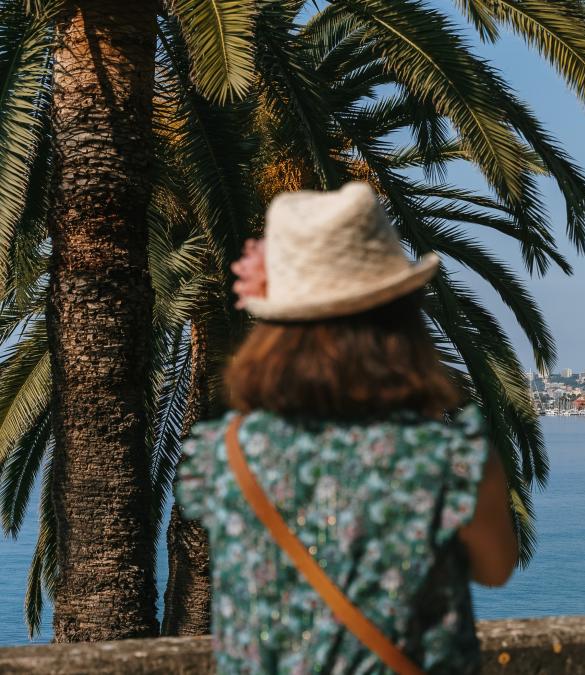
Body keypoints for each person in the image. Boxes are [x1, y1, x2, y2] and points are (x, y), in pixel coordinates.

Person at [174, 181, 518, 674]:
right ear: (403, 323)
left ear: (274, 328)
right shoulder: (449, 459)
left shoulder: (224, 454)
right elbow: (495, 567)